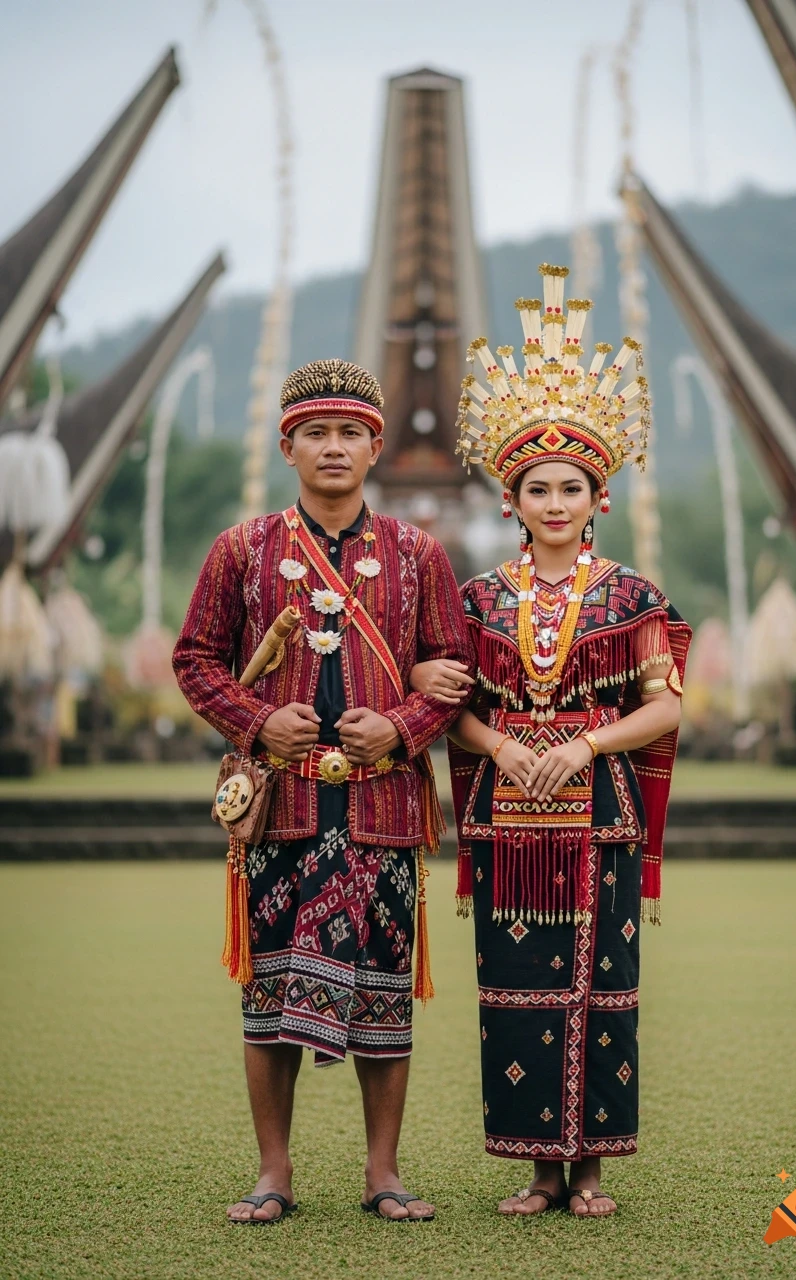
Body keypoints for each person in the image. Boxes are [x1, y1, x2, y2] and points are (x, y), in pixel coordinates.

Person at [410, 266, 691, 1218]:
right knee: (516, 986)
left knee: (605, 989)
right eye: (539, 487)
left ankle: (593, 1169)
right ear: (513, 497)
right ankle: (538, 1169)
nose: (556, 501)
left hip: (599, 818)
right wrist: (496, 747)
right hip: (508, 821)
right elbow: (447, 705)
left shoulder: (633, 598)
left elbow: (666, 708)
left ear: (598, 496)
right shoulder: (477, 601)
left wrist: (586, 745)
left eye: (573, 486)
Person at [173, 359, 473, 1223]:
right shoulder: (241, 550)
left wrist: (402, 728)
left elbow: (455, 672)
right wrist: (258, 721)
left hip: (381, 807)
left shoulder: (419, 554)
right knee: (267, 994)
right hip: (283, 807)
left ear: (375, 447)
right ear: (288, 447)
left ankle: (384, 1172)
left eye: (349, 433)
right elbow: (195, 660)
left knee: (384, 992)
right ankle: (275, 1172)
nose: (333, 447)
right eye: (316, 433)